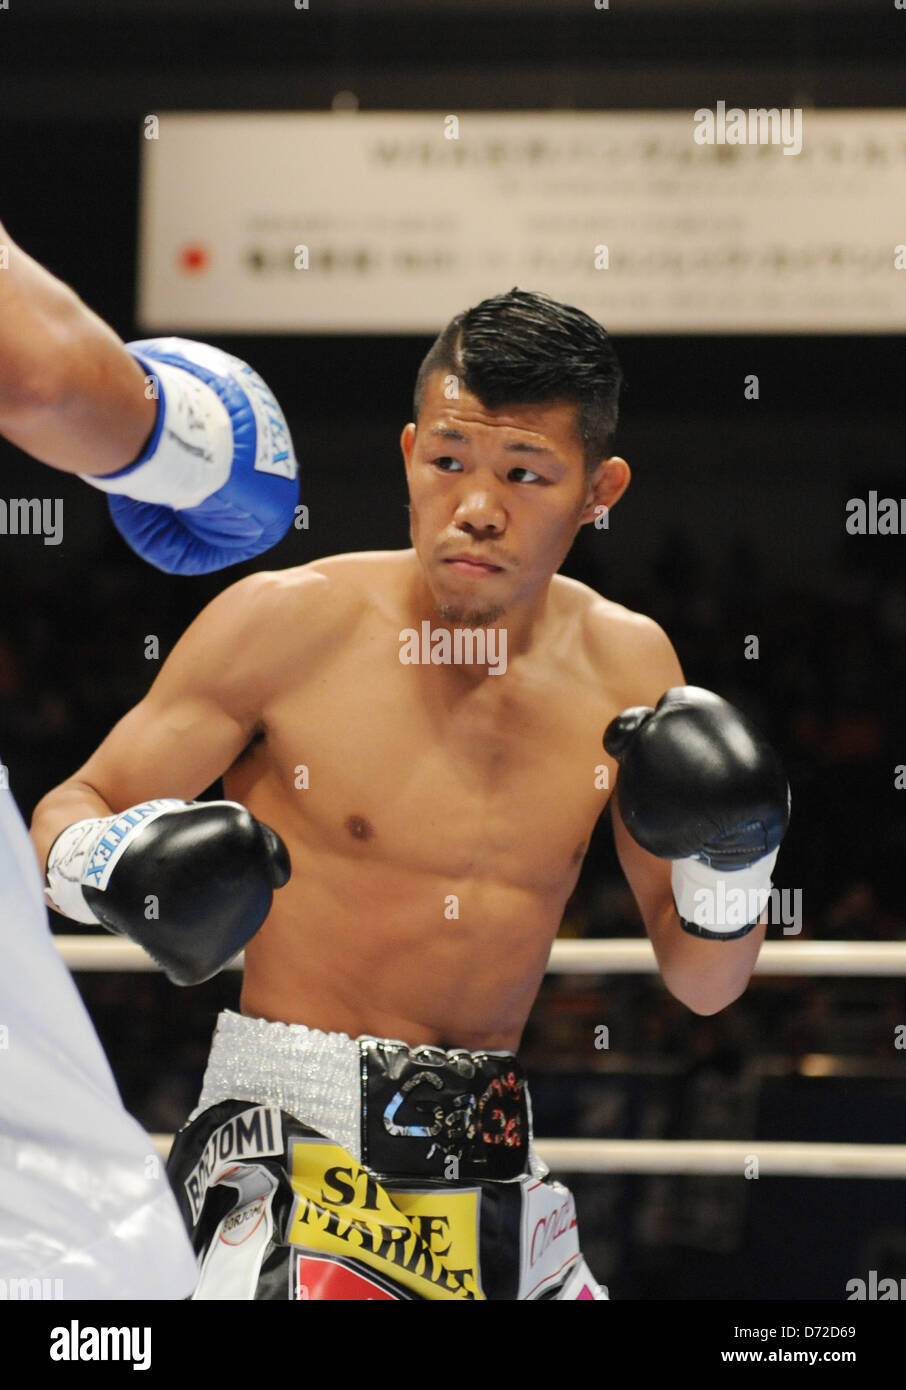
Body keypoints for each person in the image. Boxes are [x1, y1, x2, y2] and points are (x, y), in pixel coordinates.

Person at [29, 286, 789, 1301]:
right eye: (448, 463)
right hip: (292, 1126)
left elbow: (706, 982)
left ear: (600, 488)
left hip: (492, 1138)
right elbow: (65, 812)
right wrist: (119, 864)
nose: (477, 505)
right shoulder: (286, 622)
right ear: (407, 454)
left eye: (525, 473)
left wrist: (736, 858)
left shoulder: (630, 664)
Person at [0, 218, 298, 1298]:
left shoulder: (621, 652)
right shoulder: (286, 626)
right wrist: (183, 434)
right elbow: (37, 376)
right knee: (88, 1257)